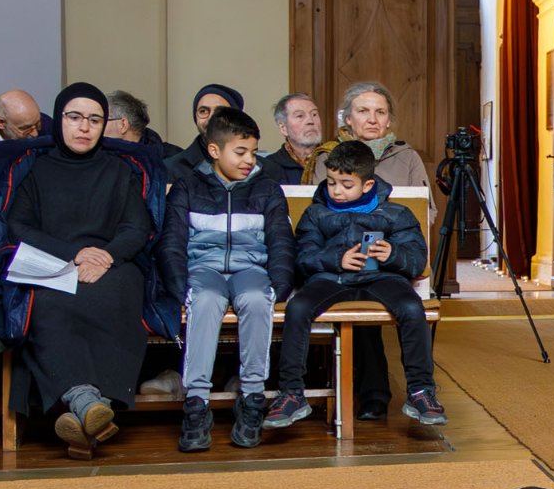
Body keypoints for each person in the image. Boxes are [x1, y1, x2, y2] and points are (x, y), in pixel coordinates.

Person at [0, 82, 165, 459]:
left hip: (114, 264)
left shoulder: (119, 169)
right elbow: (20, 225)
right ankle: (90, 407)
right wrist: (76, 253)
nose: (84, 127)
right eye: (75, 117)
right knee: (46, 305)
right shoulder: (35, 167)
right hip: (54, 262)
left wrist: (107, 256)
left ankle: (81, 414)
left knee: (112, 295)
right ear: (59, 120)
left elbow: (137, 227)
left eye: (95, 120)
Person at [265, 139, 444, 430]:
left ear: (368, 184)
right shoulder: (316, 213)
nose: (336, 190)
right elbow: (302, 258)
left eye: (346, 185)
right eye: (332, 182)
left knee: (412, 308)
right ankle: (291, 393)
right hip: (330, 279)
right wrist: (337, 258)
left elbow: (416, 261)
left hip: (382, 278)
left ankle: (421, 392)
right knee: (298, 308)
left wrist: (392, 254)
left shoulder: (396, 214)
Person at [160, 106, 295, 453]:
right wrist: (179, 284)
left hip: (250, 269)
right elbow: (172, 241)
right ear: (214, 150)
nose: (250, 159)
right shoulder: (188, 188)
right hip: (203, 270)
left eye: (253, 151)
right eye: (240, 152)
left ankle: (251, 399)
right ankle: (197, 404)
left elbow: (281, 240)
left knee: (255, 299)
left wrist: (278, 284)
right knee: (204, 301)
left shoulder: (266, 190)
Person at [314, 81, 430, 419]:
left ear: (390, 120)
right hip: (341, 258)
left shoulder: (406, 157)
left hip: (390, 255)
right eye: (363, 111)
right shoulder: (327, 156)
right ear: (347, 118)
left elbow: (427, 212)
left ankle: (400, 394)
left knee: (390, 296)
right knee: (356, 296)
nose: (372, 119)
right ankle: (368, 394)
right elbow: (314, 210)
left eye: (380, 112)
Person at [169, 84, 244, 179]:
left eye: (220, 111)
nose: (211, 119)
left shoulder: (261, 169)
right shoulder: (171, 169)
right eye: (203, 111)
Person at [261, 93, 325, 187]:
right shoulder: (269, 166)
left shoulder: (334, 158)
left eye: (314, 114)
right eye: (300, 116)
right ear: (283, 128)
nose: (310, 121)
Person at [0, 89, 47, 158]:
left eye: (38, 124)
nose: (35, 134)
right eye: (26, 128)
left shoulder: (48, 125)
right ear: (1, 123)